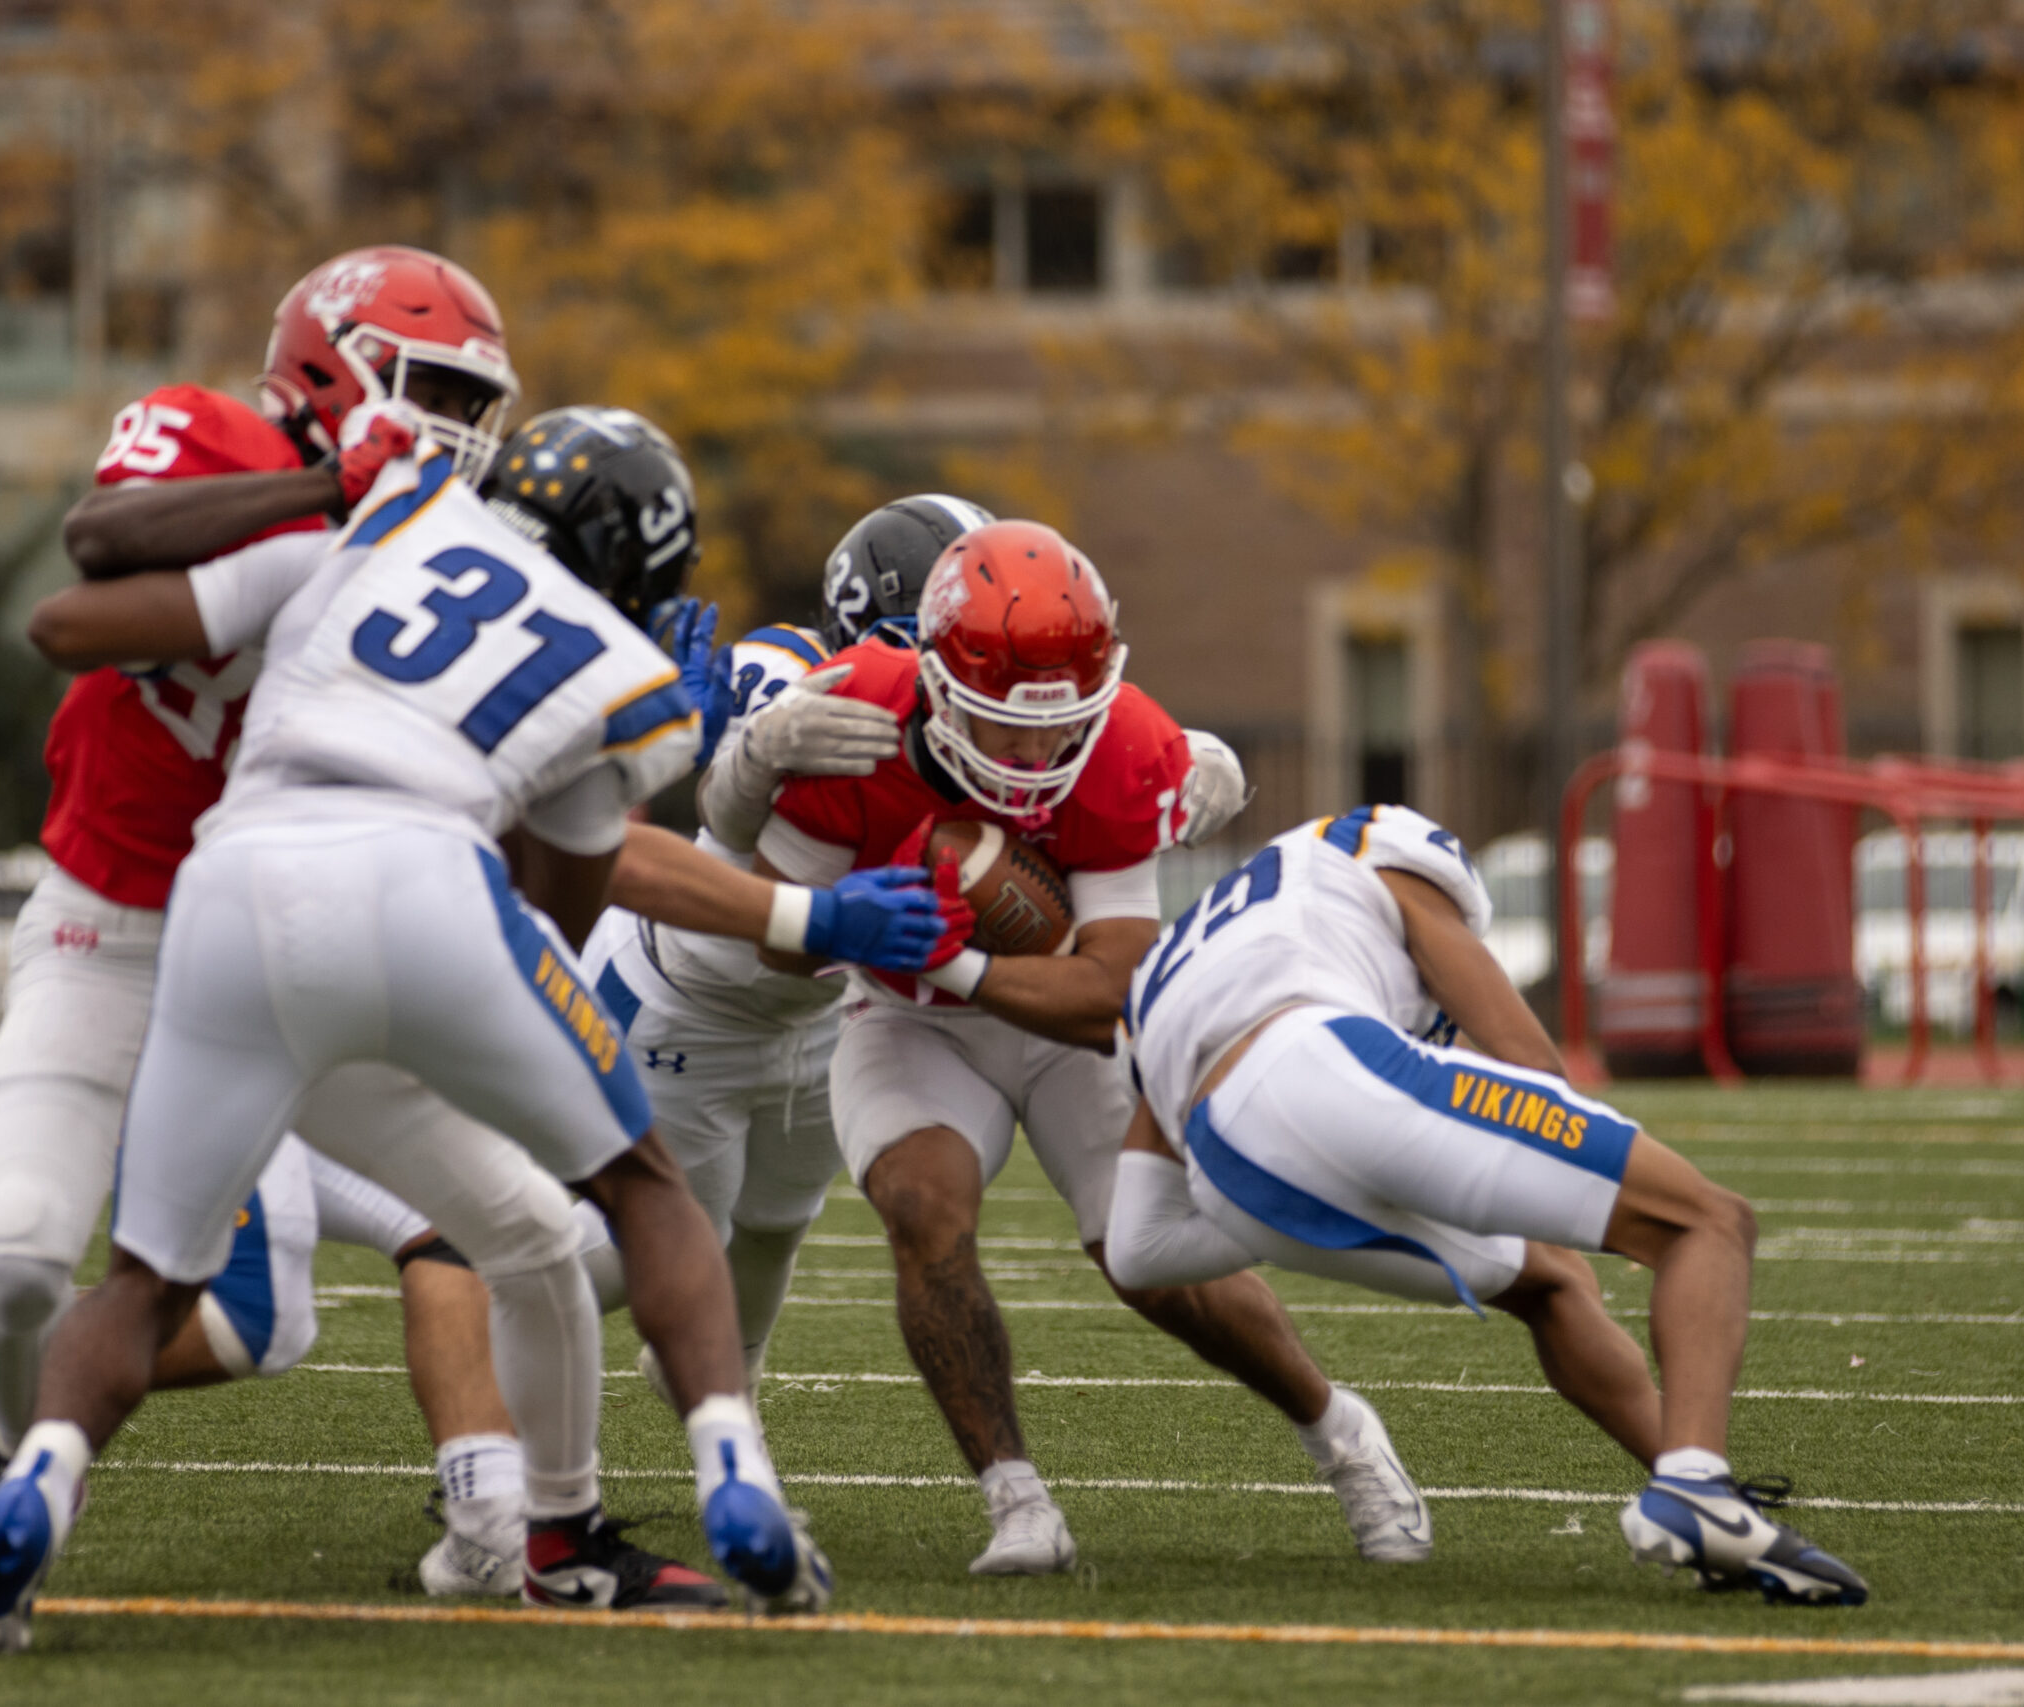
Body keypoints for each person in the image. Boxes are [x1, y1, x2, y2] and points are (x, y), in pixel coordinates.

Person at [0, 403, 849, 1653]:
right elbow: (553, 914)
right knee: (639, 1184)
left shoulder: (372, 516)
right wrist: (610, 745)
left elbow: (71, 622)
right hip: (422, 882)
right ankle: (726, 1474)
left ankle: (37, 1478)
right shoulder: (624, 679)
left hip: (227, 886)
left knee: (148, 1281)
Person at [0, 246, 538, 1602]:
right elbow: (95, 548)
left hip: (268, 955)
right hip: (111, 925)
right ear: (336, 366)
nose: (455, 426)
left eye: (472, 400)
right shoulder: (212, 436)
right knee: (33, 1265)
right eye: (433, 385)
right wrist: (329, 492)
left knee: (313, 1292)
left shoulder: (434, 552)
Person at [747, 519, 1427, 1576]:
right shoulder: (850, 718)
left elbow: (1110, 988)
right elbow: (778, 943)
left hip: (1057, 1013)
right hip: (904, 1016)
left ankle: (1340, 1431)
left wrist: (960, 963)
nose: (1030, 755)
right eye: (1002, 726)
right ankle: (1016, 1502)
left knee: (1144, 1258)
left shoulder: (1119, 745)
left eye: (1059, 727)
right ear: (931, 683)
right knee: (922, 1209)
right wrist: (838, 923)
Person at [1107, 803, 1868, 1606]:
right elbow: (1527, 1058)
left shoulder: (1178, 967)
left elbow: (1138, 1246)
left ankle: (1707, 1502)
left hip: (1233, 1179)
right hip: (1319, 1071)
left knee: (1552, 1281)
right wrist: (1569, 1173)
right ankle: (1696, 1485)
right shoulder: (1377, 857)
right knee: (1706, 1221)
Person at [587, 493, 1253, 1397]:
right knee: (647, 1248)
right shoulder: (806, 677)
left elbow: (1108, 731)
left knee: (776, 1226)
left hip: (826, 1004)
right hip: (691, 993)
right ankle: (478, 1332)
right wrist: (751, 753)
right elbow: (727, 800)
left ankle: (723, 1428)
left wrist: (1205, 760)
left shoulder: (985, 719)